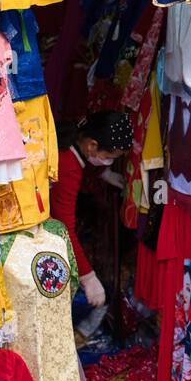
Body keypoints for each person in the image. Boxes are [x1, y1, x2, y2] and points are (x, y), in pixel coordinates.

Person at [53, 111, 133, 307]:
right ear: (92, 146)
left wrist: (103, 172)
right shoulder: (69, 168)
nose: (108, 161)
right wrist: (88, 277)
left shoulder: (69, 140)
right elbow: (64, 229)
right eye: (108, 157)